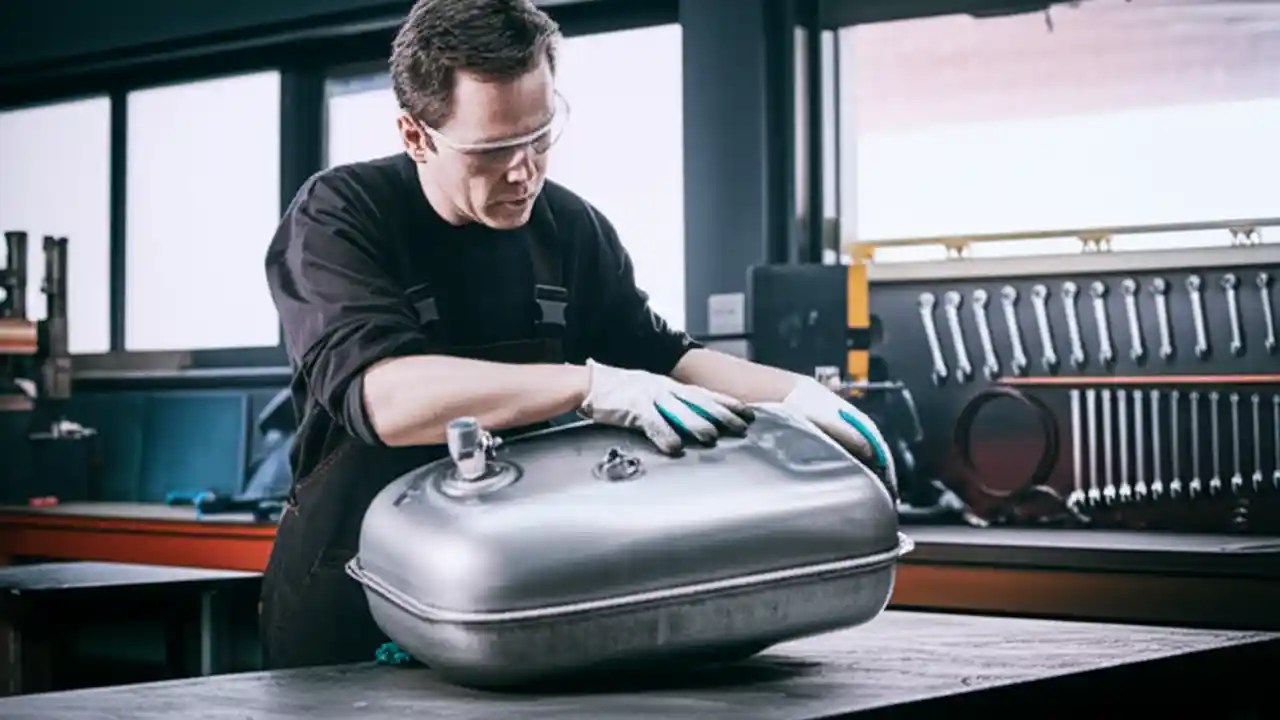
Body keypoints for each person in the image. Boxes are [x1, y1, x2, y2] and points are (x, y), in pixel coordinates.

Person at [259, 0, 896, 670]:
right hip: (349, 605)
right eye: (493, 149)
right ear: (416, 136)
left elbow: (666, 359)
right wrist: (591, 386)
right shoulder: (340, 217)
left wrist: (800, 402)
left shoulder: (570, 229)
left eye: (538, 136)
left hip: (502, 607)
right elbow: (384, 398)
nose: (524, 170)